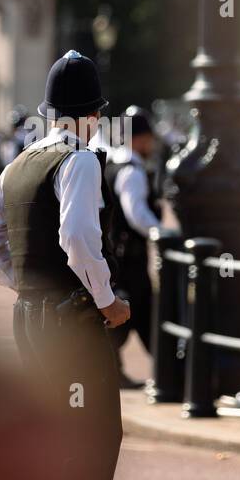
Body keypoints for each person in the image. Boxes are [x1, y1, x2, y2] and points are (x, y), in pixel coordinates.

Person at [0, 50, 132, 480]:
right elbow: (79, 238)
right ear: (93, 113)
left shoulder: (19, 162)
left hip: (29, 316)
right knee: (95, 430)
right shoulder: (79, 160)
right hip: (70, 322)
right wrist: (105, 299)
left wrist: (23, 285)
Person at [104, 106, 162, 389]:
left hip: (115, 256)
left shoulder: (112, 164)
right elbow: (136, 213)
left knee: (133, 315)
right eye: (148, 137)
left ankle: (115, 371)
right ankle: (168, 376)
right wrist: (162, 233)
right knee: (142, 315)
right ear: (138, 139)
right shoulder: (132, 171)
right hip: (131, 260)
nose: (151, 144)